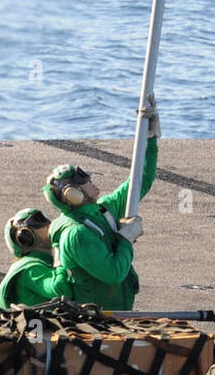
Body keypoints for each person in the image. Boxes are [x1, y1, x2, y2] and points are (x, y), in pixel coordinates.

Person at [44, 108, 159, 310]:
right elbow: (113, 274)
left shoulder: (102, 210)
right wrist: (126, 238)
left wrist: (150, 139)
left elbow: (140, 181)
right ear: (73, 194)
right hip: (93, 320)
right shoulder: (76, 234)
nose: (89, 178)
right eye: (81, 178)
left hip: (111, 313)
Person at [0, 208, 73, 310]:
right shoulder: (30, 268)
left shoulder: (44, 262)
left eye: (43, 218)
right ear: (26, 237)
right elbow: (61, 290)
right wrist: (58, 253)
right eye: (37, 221)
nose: (47, 223)